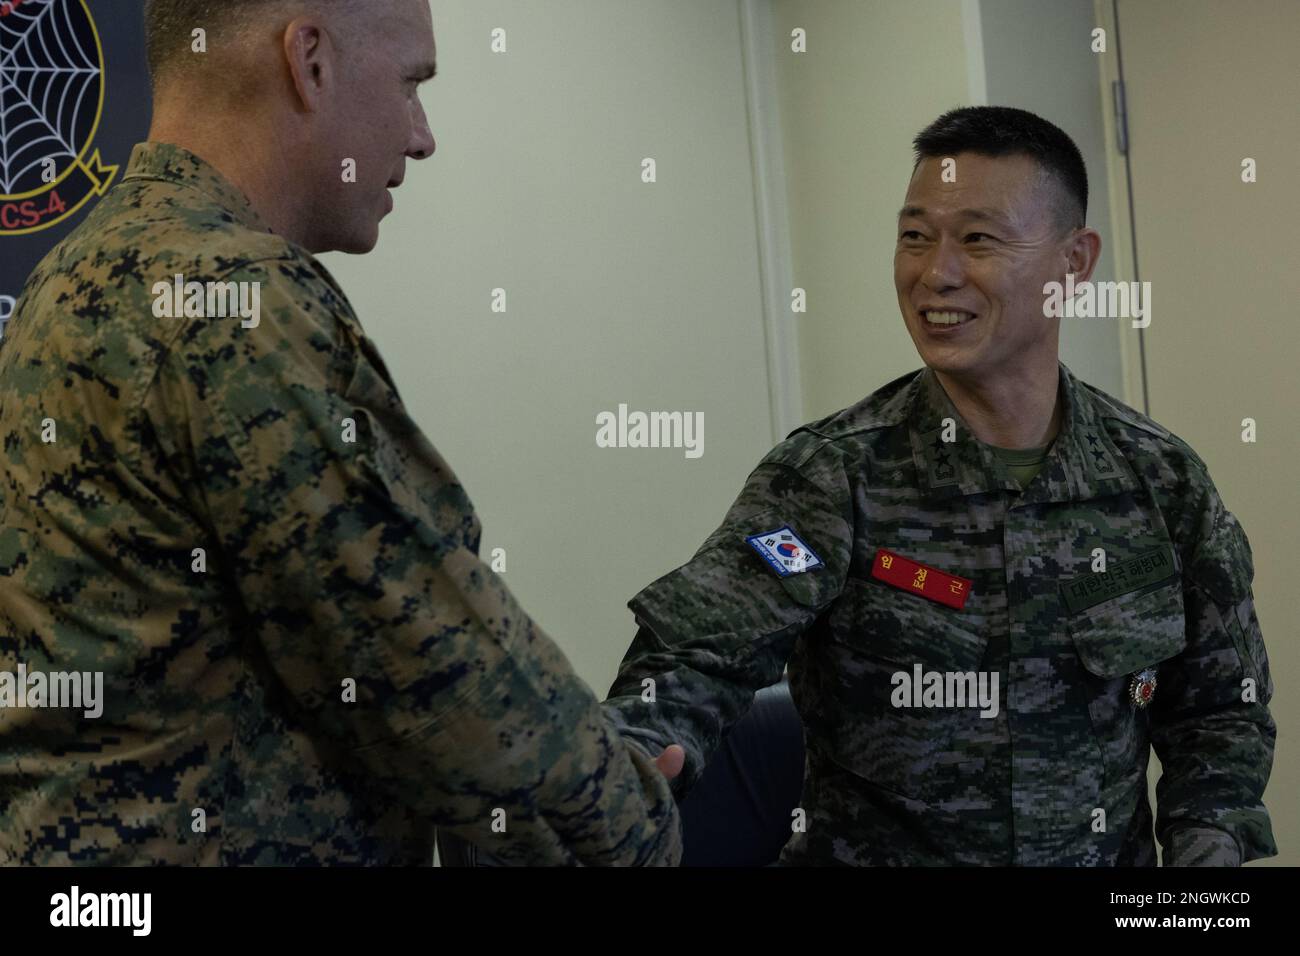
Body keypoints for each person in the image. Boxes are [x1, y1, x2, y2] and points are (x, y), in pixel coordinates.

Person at [0, 0, 680, 866]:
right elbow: (440, 660)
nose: (423, 135)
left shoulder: (77, 272)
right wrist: (633, 821)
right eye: (410, 83)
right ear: (310, 60)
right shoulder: (234, 298)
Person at [604, 107, 1276, 866]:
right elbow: (696, 655)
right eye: (915, 236)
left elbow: (1220, 708)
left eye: (978, 239)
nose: (935, 273)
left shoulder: (1161, 481)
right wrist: (631, 757)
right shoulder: (831, 477)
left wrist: (1208, 839)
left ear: (1073, 264)